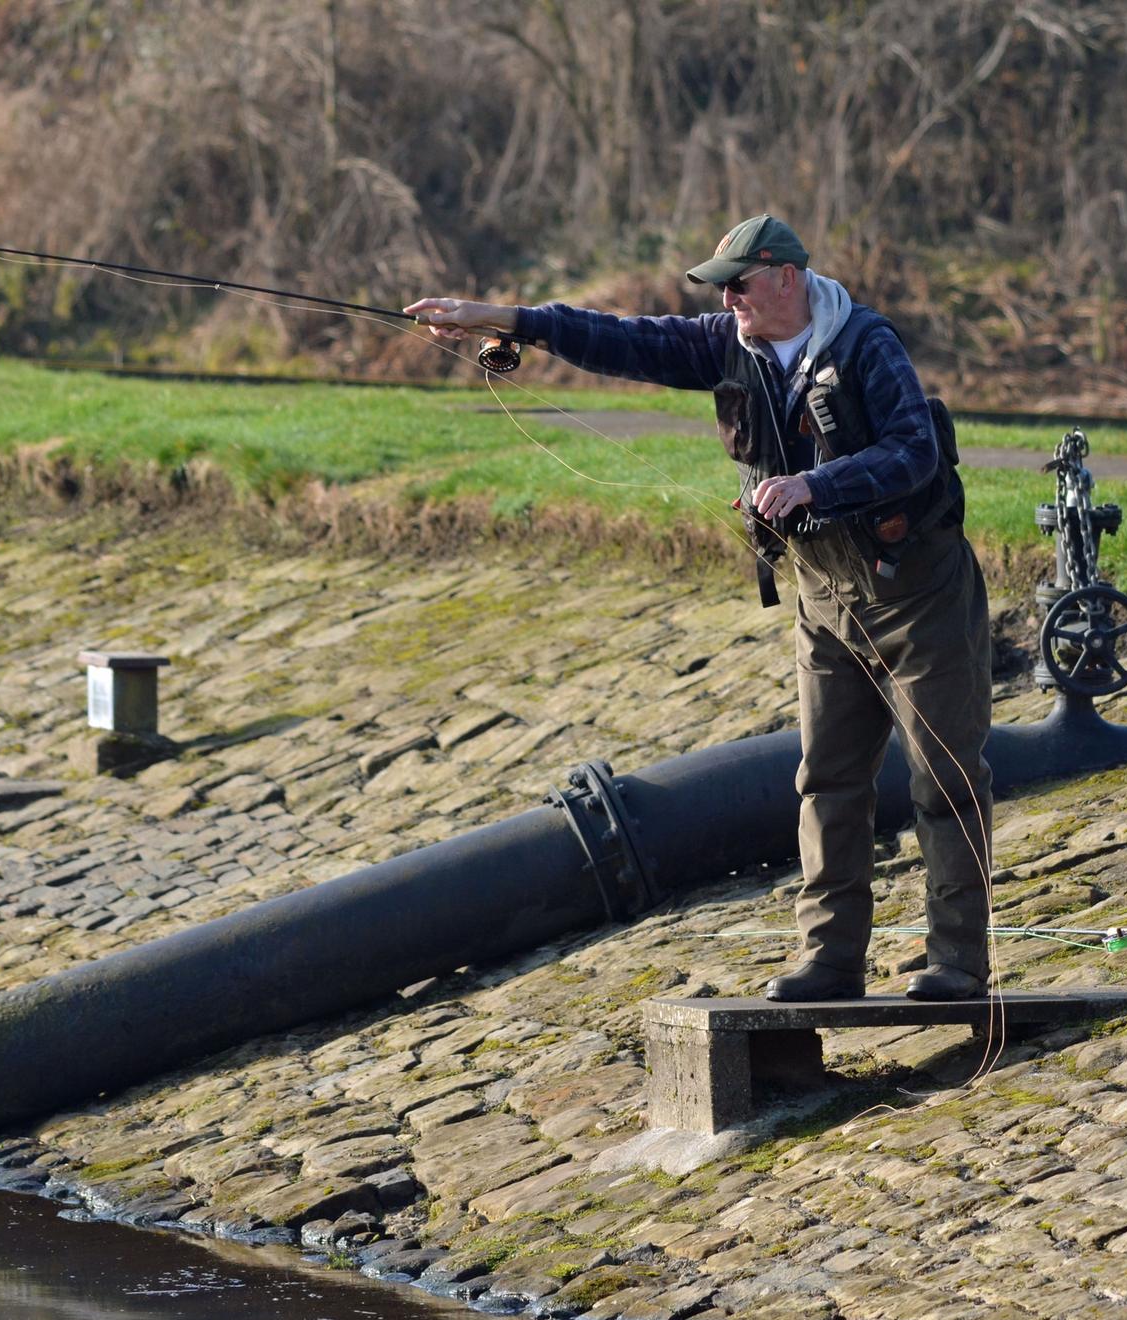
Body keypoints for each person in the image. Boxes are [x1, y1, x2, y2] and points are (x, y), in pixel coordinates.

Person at [406, 215, 993, 1002]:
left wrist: (815, 485)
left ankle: (957, 963)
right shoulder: (729, 343)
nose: (728, 297)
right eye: (719, 285)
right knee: (826, 782)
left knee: (942, 782)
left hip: (918, 594)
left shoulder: (865, 344)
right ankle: (830, 963)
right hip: (822, 600)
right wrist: (504, 321)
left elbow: (914, 451)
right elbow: (621, 339)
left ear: (786, 276)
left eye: (738, 282)